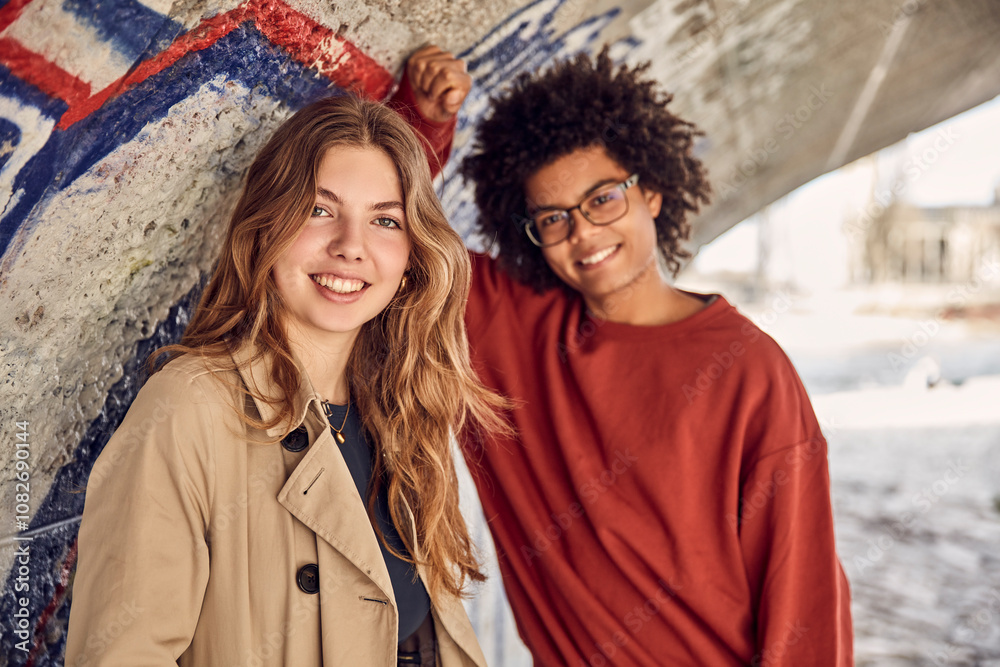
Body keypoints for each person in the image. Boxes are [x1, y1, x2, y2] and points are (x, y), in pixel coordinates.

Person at [403, 47, 854, 665]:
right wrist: (422, 127)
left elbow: (804, 597)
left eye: (603, 199)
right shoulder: (505, 330)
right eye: (553, 218)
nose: (583, 232)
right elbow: (391, 237)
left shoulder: (750, 372)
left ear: (654, 195)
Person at [65, 64, 506, 666]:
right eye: (321, 210)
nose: (351, 245)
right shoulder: (189, 406)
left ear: (411, 254)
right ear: (267, 224)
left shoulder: (409, 413)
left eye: (385, 220)